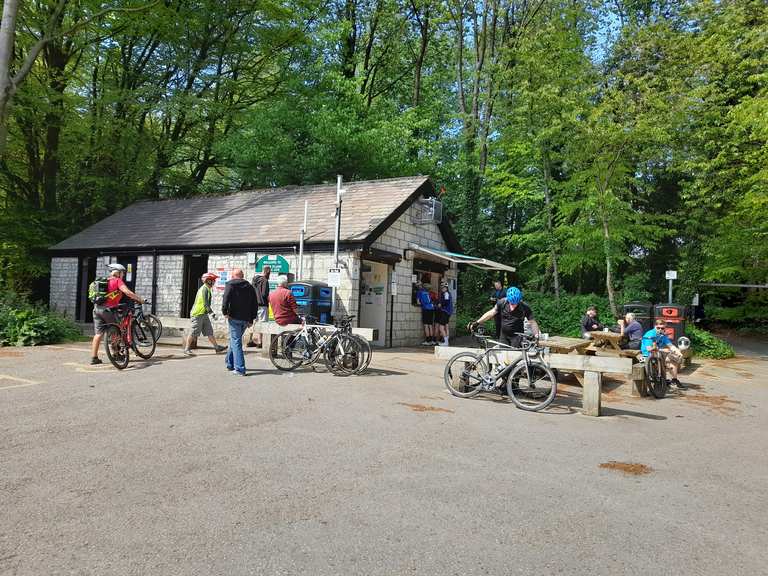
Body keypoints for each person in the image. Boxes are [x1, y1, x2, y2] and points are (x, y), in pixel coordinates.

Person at [90, 263, 146, 365]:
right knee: (116, 331)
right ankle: (116, 354)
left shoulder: (104, 281)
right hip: (109, 310)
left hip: (97, 309)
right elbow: (127, 292)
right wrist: (140, 299)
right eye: (122, 273)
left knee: (98, 334)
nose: (123, 275)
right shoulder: (117, 281)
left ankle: (94, 358)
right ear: (118, 273)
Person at [469, 286, 539, 348]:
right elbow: (491, 313)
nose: (513, 306)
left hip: (517, 336)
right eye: (512, 303)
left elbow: (532, 322)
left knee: (515, 357)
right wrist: (477, 322)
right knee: (503, 357)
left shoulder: (524, 307)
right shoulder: (502, 302)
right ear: (508, 299)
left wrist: (536, 335)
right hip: (504, 335)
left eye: (516, 303)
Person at [221, 268, 258, 376]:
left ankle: (240, 368)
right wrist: (252, 319)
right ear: (242, 275)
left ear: (233, 276)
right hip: (246, 319)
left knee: (236, 342)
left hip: (234, 318)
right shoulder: (250, 287)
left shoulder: (230, 284)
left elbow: (225, 299)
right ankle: (229, 363)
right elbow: (254, 303)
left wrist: (224, 312)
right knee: (235, 340)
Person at [182, 272, 227, 356]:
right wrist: (212, 313)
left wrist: (208, 312)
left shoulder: (207, 289)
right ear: (208, 281)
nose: (214, 282)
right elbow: (205, 303)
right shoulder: (204, 289)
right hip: (198, 314)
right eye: (213, 280)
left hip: (203, 314)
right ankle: (187, 349)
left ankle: (217, 348)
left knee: (209, 331)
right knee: (193, 332)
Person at [641, 319, 687, 389]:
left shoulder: (663, 335)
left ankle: (674, 380)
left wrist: (677, 352)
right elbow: (649, 349)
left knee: (675, 357)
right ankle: (661, 378)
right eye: (658, 328)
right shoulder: (650, 334)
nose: (660, 330)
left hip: (659, 353)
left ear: (664, 328)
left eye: (662, 328)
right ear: (654, 326)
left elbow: (670, 345)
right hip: (648, 354)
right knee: (664, 355)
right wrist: (662, 350)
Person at [247, 265, 271, 348]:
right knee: (263, 323)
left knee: (253, 322)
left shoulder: (254, 280)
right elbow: (264, 294)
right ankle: (260, 342)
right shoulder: (265, 280)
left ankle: (251, 340)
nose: (269, 274)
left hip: (253, 304)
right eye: (269, 272)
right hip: (262, 304)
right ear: (267, 272)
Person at [436, 281, 453, 346]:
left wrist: (440, 304)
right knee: (446, 326)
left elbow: (446, 302)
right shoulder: (447, 293)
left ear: (446, 288)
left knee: (441, 327)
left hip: (445, 312)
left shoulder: (446, 294)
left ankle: (446, 342)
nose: (442, 288)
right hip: (447, 312)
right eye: (441, 287)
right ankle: (446, 342)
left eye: (443, 287)